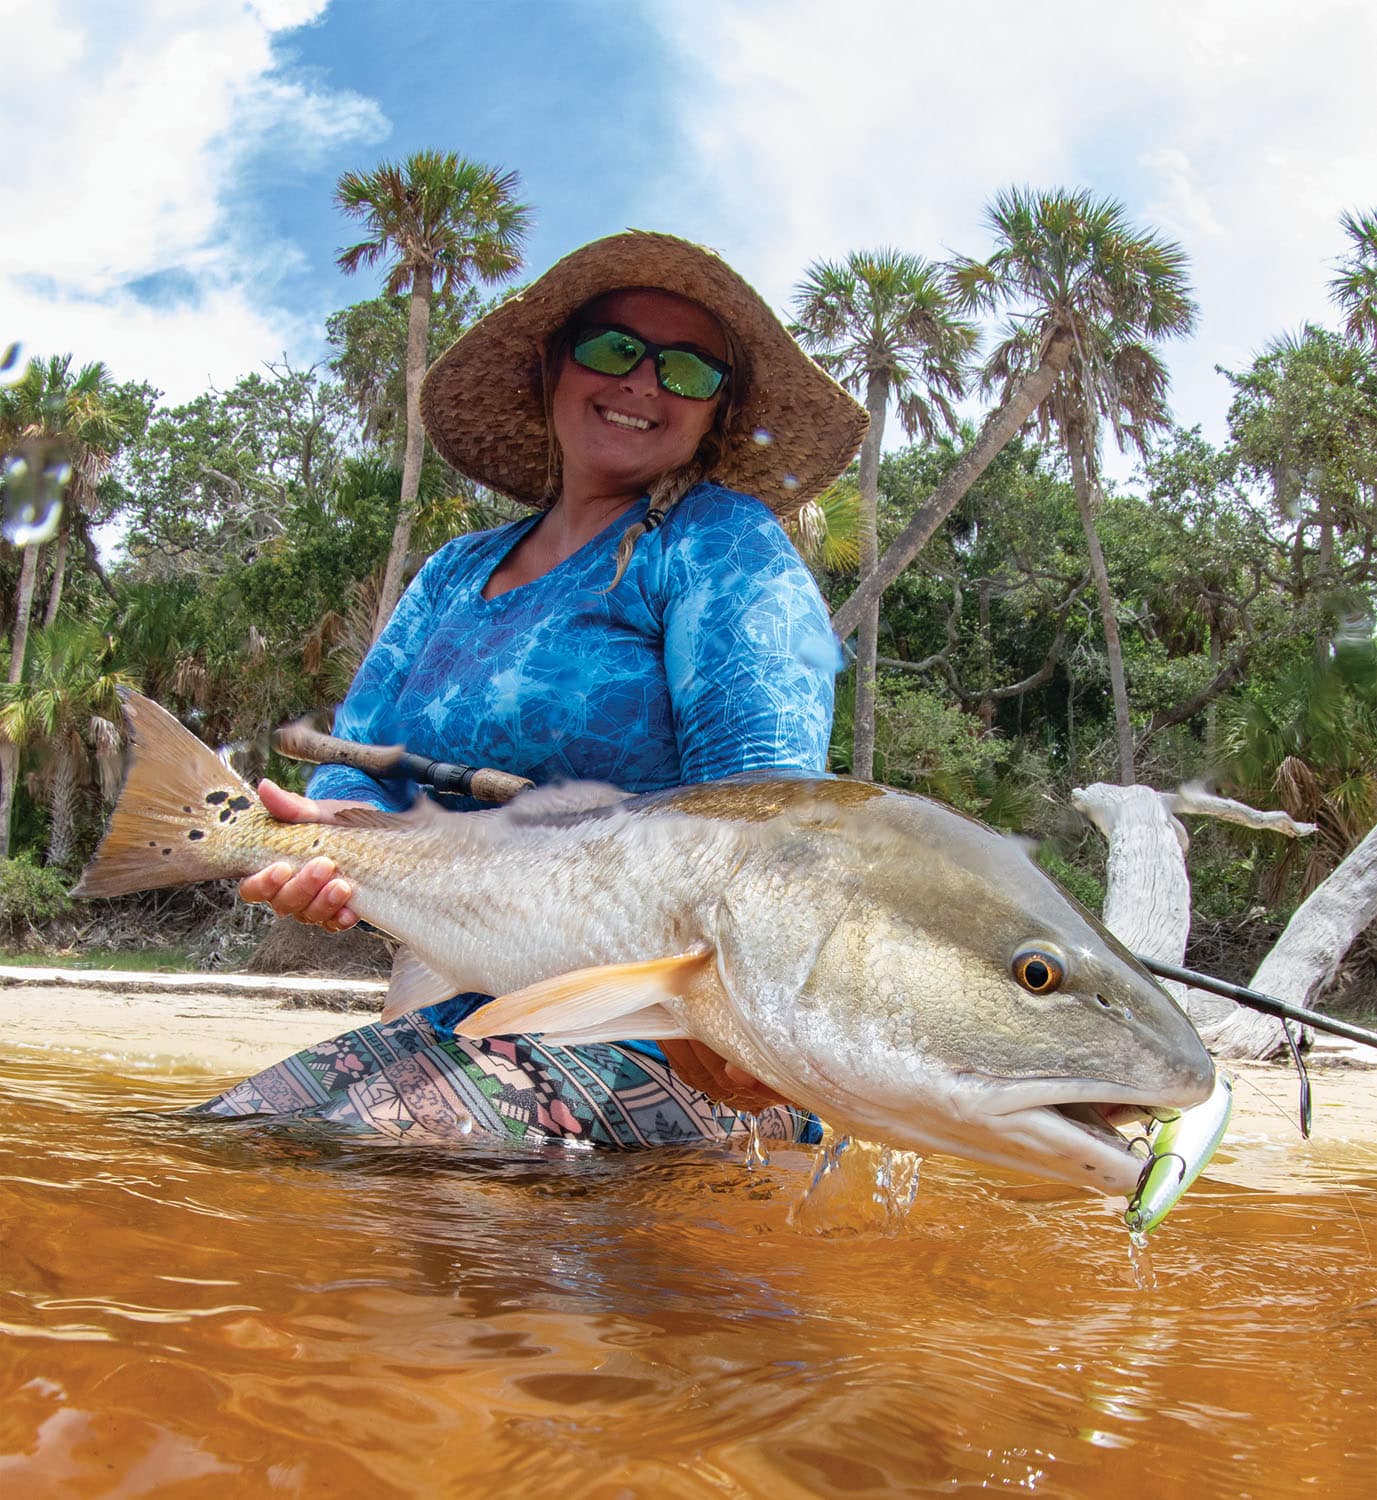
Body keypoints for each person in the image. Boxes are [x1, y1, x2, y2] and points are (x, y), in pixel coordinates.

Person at [199, 231, 867, 1147]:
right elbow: (357, 764)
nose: (642, 383)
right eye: (612, 348)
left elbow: (763, 818)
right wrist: (315, 852)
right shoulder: (451, 570)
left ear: (717, 409)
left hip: (656, 1030)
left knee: (336, 1155)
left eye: (688, 369)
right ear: (553, 367)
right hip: (455, 1003)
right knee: (226, 1138)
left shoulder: (721, 542)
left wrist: (722, 1028)